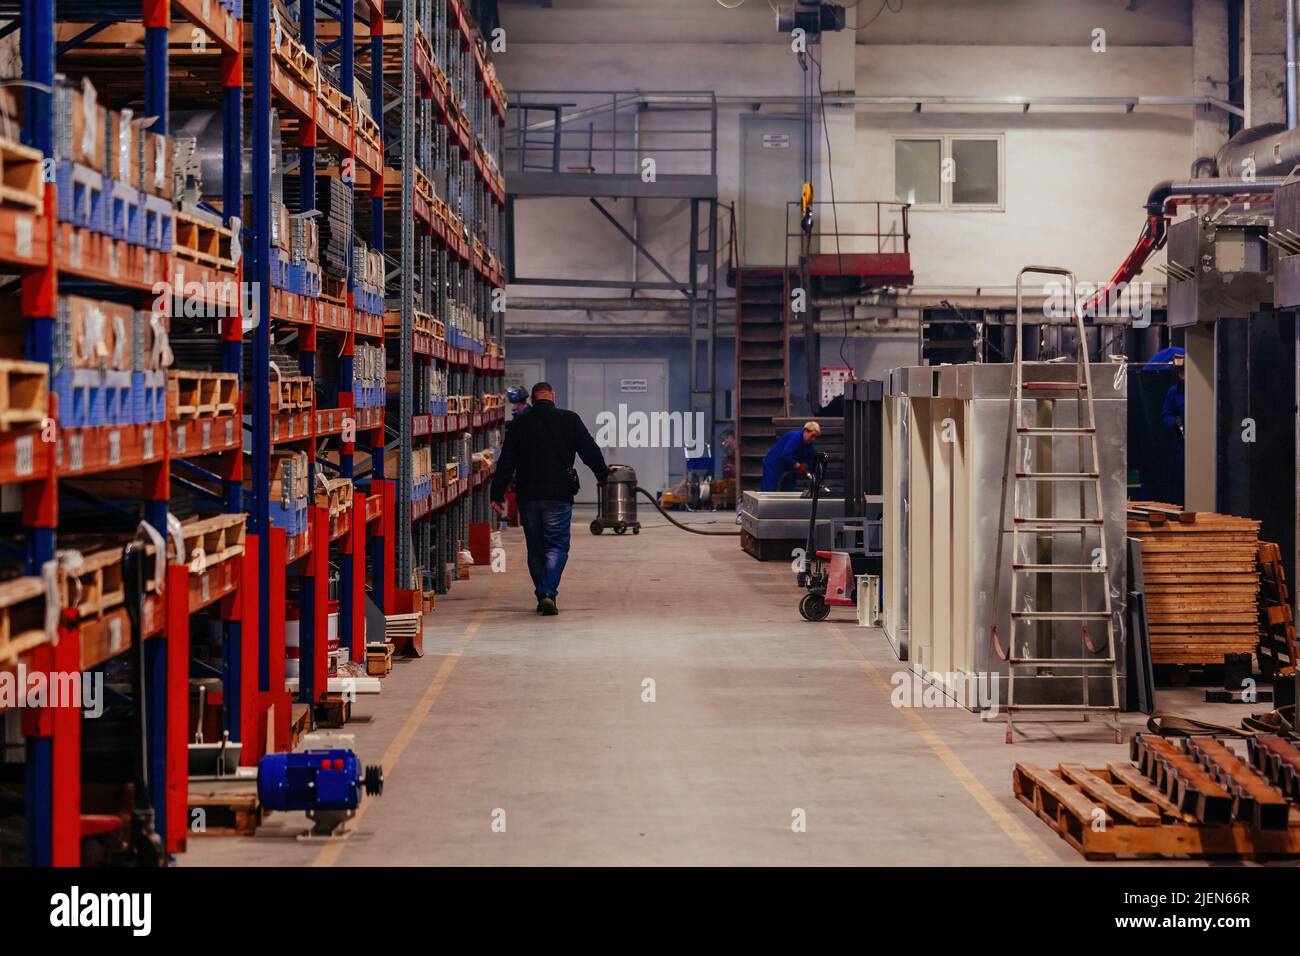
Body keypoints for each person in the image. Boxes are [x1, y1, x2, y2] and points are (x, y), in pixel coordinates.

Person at [490, 382, 609, 616]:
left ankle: (543, 592)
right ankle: (547, 593)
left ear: (532, 399)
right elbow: (590, 451)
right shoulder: (570, 420)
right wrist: (603, 476)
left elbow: (506, 462)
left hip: (528, 495)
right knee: (556, 545)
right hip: (558, 494)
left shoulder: (519, 424)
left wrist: (497, 494)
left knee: (535, 548)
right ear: (552, 396)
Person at [760, 421, 820, 492]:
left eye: (815, 437)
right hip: (774, 463)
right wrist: (799, 466)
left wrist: (818, 477)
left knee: (788, 490)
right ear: (806, 431)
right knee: (769, 490)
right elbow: (786, 455)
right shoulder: (795, 438)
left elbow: (811, 461)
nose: (813, 439)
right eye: (812, 436)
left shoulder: (809, 446)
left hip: (788, 466)